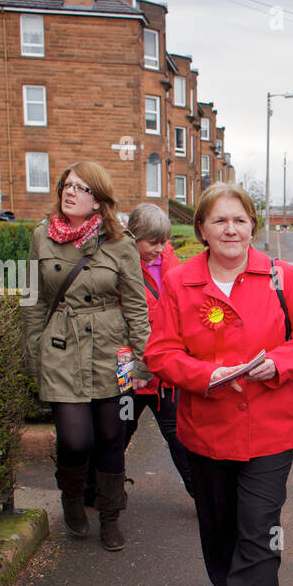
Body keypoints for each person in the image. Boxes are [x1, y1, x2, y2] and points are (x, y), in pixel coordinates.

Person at [145, 183, 293, 586]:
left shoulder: (280, 277)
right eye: (220, 220)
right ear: (201, 229)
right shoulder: (180, 282)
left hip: (270, 427)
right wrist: (203, 376)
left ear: (252, 226)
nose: (231, 229)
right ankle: (221, 574)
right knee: (217, 516)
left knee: (259, 527)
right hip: (206, 426)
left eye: (240, 220)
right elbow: (159, 352)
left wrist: (281, 364)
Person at [21, 161, 149, 551]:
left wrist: (142, 361)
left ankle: (110, 517)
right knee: (75, 440)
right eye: (66, 185)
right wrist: (33, 349)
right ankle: (72, 499)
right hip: (62, 346)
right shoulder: (41, 236)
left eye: (81, 188)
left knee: (112, 435)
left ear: (98, 201)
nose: (69, 192)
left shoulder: (121, 242)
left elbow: (137, 306)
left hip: (114, 350)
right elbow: (33, 299)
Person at [83, 203, 195, 504]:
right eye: (152, 242)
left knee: (178, 436)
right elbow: (117, 324)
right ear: (133, 237)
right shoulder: (119, 265)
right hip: (128, 365)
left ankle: (204, 498)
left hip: (164, 369)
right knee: (118, 432)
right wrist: (135, 368)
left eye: (164, 241)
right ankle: (94, 491)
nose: (159, 248)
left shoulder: (171, 262)